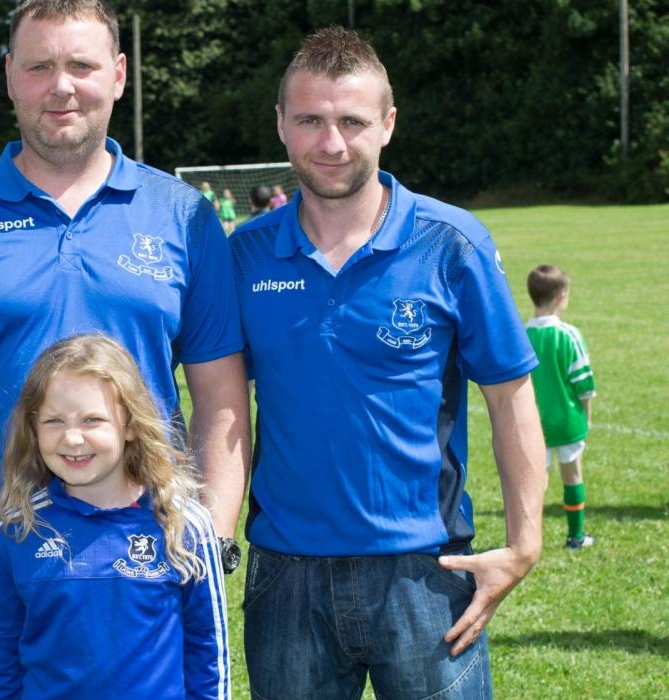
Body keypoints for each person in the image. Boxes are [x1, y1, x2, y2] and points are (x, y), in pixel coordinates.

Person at [0, 2, 248, 697]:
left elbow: (221, 394)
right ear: (10, 76)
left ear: (119, 75)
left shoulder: (184, 217)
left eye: (81, 65)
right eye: (40, 66)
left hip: (146, 564)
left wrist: (205, 541)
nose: (61, 86)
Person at [230, 27, 546, 698]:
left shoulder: (451, 243)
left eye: (352, 121)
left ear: (388, 124)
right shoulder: (244, 255)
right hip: (285, 575)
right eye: (310, 120)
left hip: (425, 572)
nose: (332, 142)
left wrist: (524, 544)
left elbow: (510, 395)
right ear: (281, 124)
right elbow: (217, 404)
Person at [0, 334, 231, 698]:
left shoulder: (183, 525)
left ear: (131, 424)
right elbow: (1, 661)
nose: (72, 438)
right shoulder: (17, 531)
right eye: (54, 421)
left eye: (92, 420)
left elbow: (207, 653)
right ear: (32, 429)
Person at [526, 264, 596, 550]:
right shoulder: (568, 335)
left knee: (535, 483)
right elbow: (584, 383)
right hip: (567, 422)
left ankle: (530, 541)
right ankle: (575, 537)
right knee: (572, 475)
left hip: (533, 424)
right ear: (561, 296)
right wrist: (587, 417)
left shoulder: (522, 335)